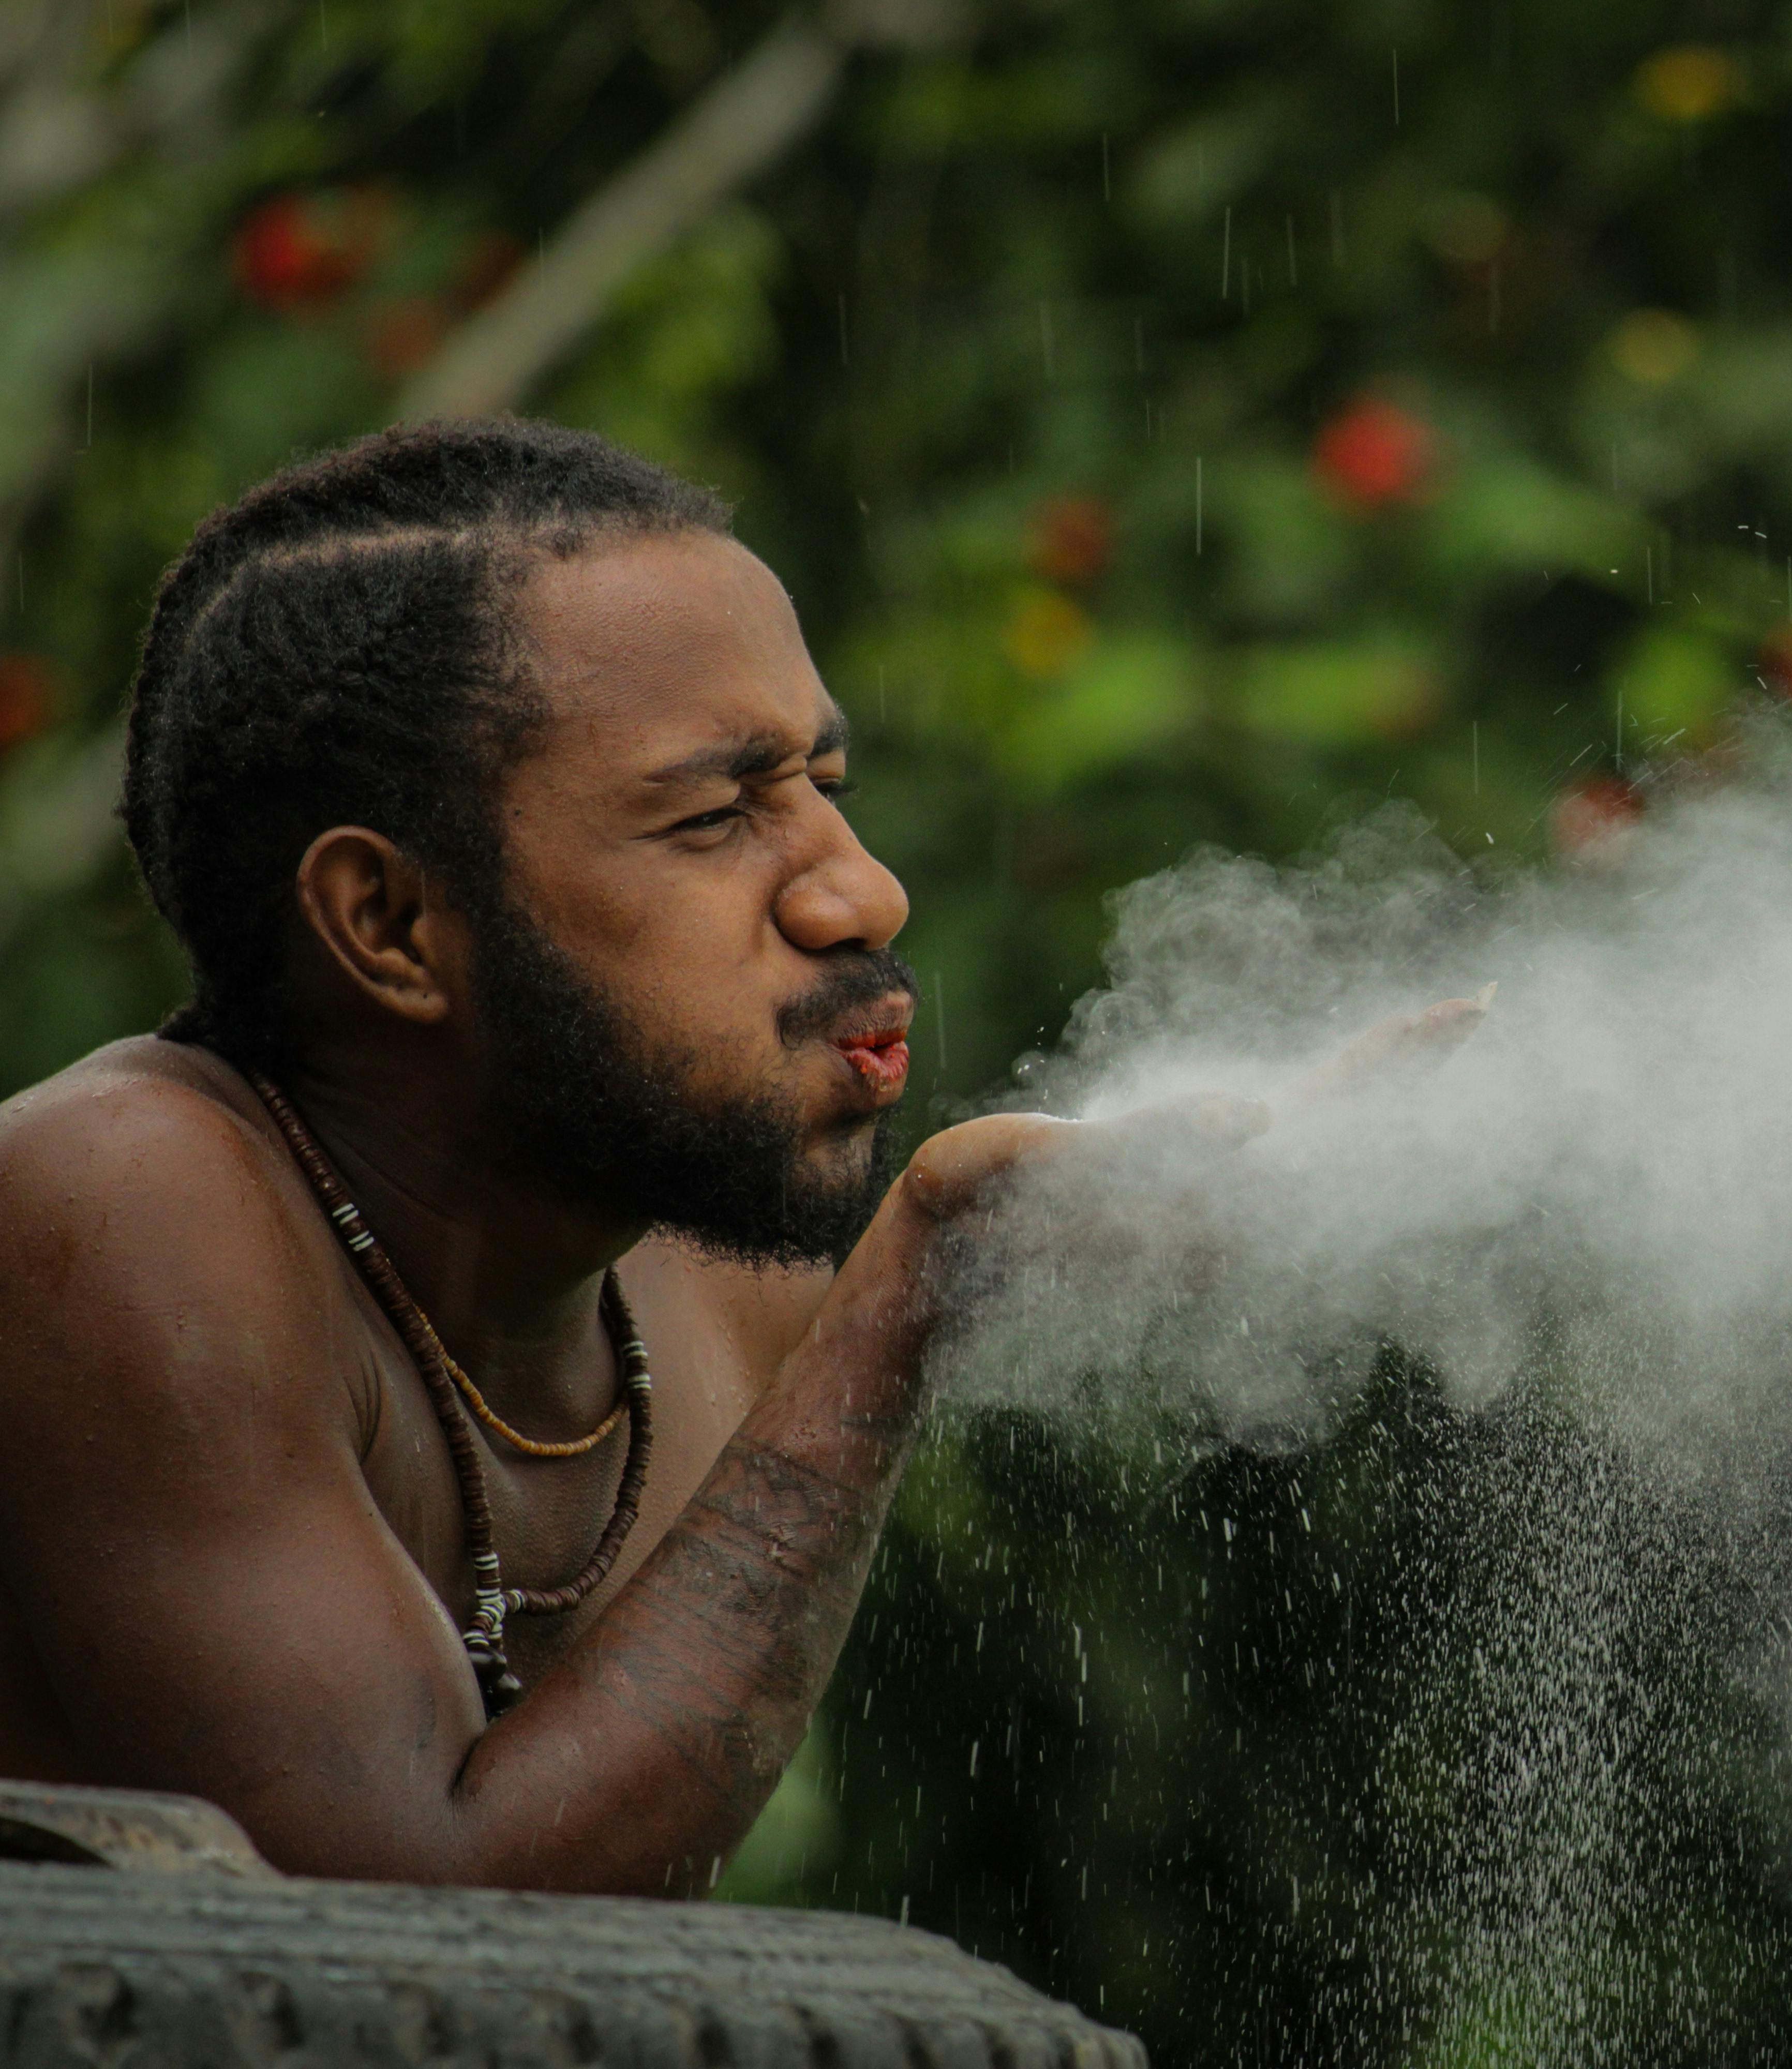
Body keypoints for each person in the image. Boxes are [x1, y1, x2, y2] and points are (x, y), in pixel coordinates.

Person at [0, 419, 1471, 1893]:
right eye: (715, 816)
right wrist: (913, 1295)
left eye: (825, 785)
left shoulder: (719, 1292)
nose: (861, 893)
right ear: (388, 925)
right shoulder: (111, 1207)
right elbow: (424, 1929)